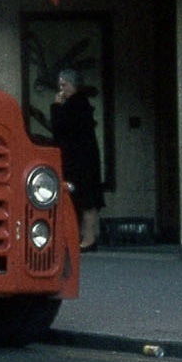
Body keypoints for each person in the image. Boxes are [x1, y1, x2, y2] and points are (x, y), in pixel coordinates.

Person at [51, 68, 103, 251]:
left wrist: (56, 106)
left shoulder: (74, 104)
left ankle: (88, 239)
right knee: (86, 197)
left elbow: (58, 129)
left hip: (79, 158)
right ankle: (87, 237)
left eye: (64, 84)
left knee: (84, 198)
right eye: (60, 84)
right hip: (84, 156)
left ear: (73, 85)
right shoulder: (81, 103)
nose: (61, 88)